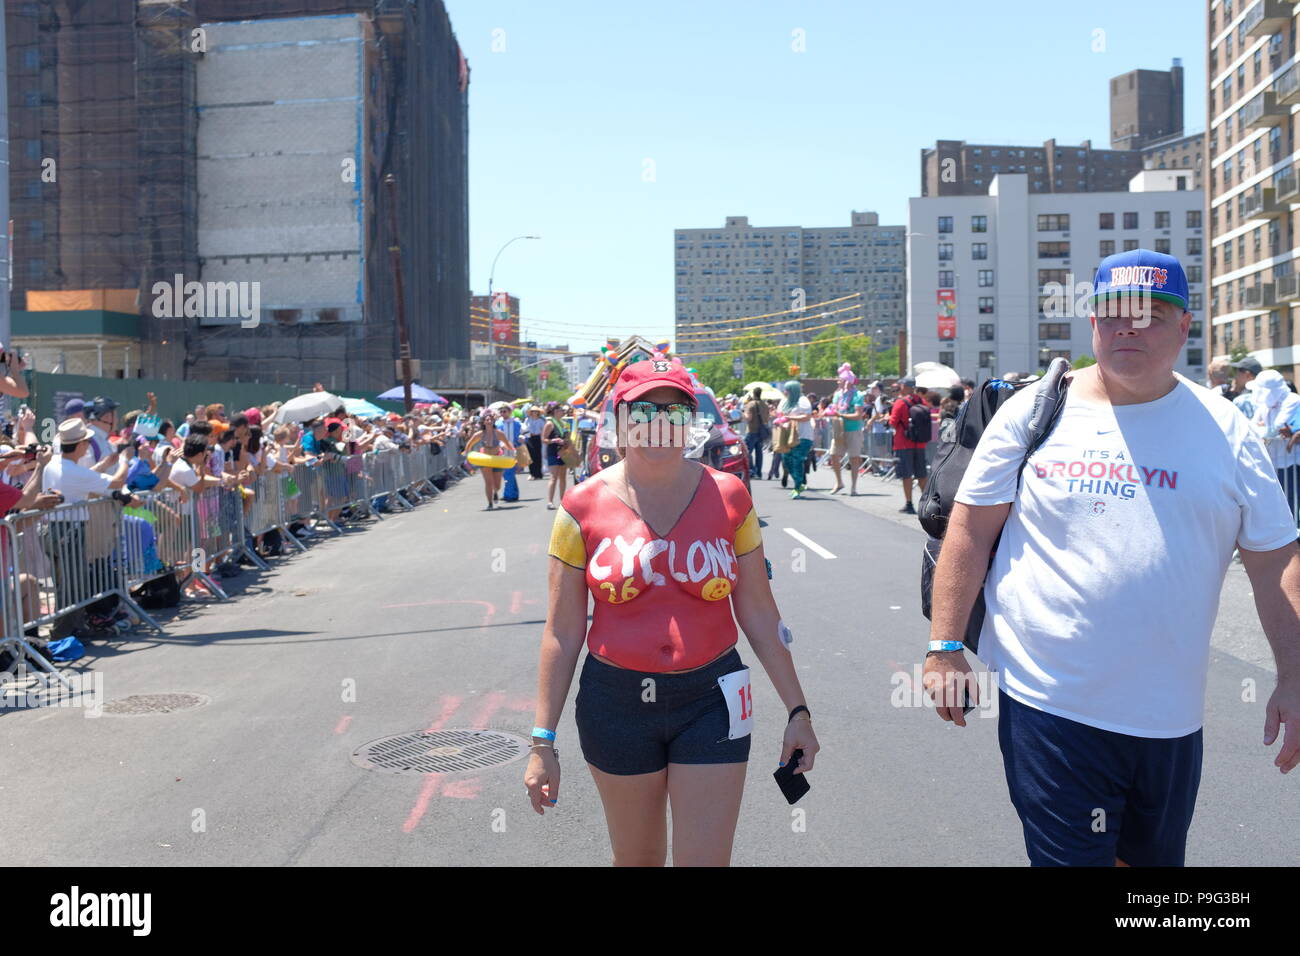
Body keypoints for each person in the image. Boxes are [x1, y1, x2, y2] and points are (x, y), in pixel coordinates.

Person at [925, 248, 1300, 867]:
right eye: (1113, 312)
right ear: (1093, 323)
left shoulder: (1226, 428)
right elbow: (968, 530)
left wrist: (1293, 675)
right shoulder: (1034, 413)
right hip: (1049, 701)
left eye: (1152, 313)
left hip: (1170, 718)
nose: (1130, 326)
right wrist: (944, 648)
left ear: (1184, 328)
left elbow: (1275, 561)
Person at [526, 357, 818, 866]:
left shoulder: (731, 496)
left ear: (691, 421)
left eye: (676, 410)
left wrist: (798, 711)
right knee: (637, 859)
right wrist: (541, 740)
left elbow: (759, 613)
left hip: (713, 699)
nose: (661, 422)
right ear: (620, 419)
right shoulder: (579, 506)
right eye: (644, 410)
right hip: (615, 704)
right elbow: (562, 632)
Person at [890, 377, 929, 514]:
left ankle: (909, 503)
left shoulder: (900, 402)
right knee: (921, 475)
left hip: (903, 443)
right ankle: (926, 504)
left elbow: (893, 422)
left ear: (905, 387)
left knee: (907, 474)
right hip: (920, 443)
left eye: (901, 385)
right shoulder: (921, 401)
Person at [830, 365, 866, 495]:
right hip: (838, 429)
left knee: (854, 458)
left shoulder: (858, 395)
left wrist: (842, 415)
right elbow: (834, 409)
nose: (838, 382)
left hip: (853, 429)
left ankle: (854, 487)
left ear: (848, 381)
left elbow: (858, 415)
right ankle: (839, 482)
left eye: (841, 379)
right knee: (833, 455)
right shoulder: (837, 395)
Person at [777, 380, 813, 499]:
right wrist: (780, 422)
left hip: (803, 436)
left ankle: (797, 487)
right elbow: (780, 415)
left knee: (797, 461)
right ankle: (800, 483)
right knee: (786, 459)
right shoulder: (785, 401)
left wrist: (791, 417)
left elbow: (807, 417)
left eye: (787, 389)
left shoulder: (803, 401)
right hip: (788, 437)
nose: (785, 392)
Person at [542, 402, 572, 510]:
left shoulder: (564, 423)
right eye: (561, 410)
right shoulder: (550, 424)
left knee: (563, 477)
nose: (563, 412)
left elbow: (567, 437)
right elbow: (544, 439)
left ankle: (562, 501)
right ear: (555, 411)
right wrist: (553, 440)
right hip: (553, 452)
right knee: (553, 477)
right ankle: (550, 501)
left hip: (563, 452)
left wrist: (567, 441)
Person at [743, 387, 770, 480]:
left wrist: (743, 413)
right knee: (759, 453)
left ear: (753, 394)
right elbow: (767, 419)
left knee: (746, 451)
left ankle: (752, 470)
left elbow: (748, 418)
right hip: (761, 432)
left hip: (751, 431)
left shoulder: (750, 404)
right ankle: (759, 472)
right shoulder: (765, 405)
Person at [524, 405, 546, 481]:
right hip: (529, 438)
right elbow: (524, 428)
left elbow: (544, 430)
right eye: (533, 411)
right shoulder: (527, 420)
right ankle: (532, 473)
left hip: (538, 438)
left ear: (538, 413)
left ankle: (538, 473)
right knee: (530, 455)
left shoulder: (541, 420)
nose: (534, 413)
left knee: (538, 456)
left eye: (536, 411)